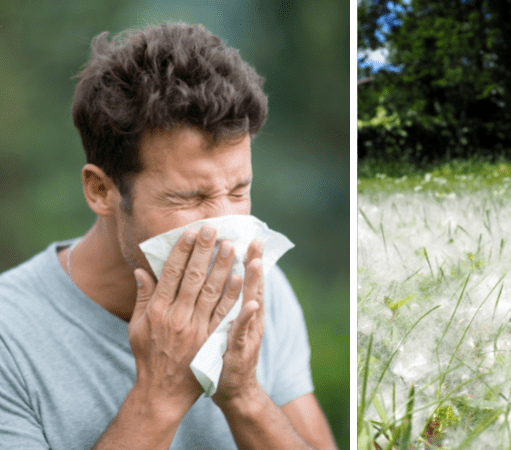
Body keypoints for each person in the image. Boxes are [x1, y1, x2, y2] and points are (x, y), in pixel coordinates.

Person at [0, 22, 337, 449]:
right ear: (100, 190)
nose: (223, 230)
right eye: (189, 198)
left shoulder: (258, 288)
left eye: (239, 190)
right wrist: (160, 393)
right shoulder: (10, 337)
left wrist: (245, 396)